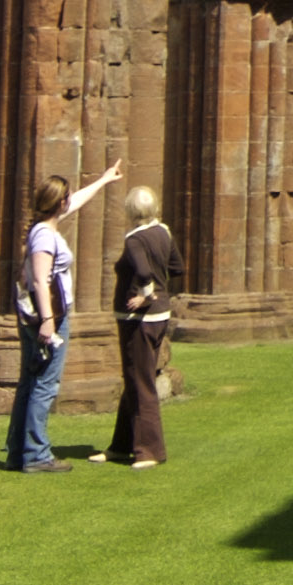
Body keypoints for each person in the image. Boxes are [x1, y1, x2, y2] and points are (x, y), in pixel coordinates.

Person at [8, 161, 119, 473]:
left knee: (30, 383)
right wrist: (47, 321)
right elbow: (41, 279)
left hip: (42, 316)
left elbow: (77, 201)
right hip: (50, 317)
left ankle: (19, 453)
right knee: (44, 384)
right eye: (67, 197)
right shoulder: (44, 236)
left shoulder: (45, 225)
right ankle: (37, 455)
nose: (70, 201)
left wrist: (103, 180)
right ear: (60, 202)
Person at [108, 185, 179, 468]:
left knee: (141, 382)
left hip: (139, 320)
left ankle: (150, 450)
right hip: (160, 317)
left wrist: (146, 294)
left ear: (130, 212)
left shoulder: (135, 239)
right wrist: (160, 291)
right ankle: (121, 446)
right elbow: (177, 267)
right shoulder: (164, 232)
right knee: (134, 378)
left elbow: (143, 271)